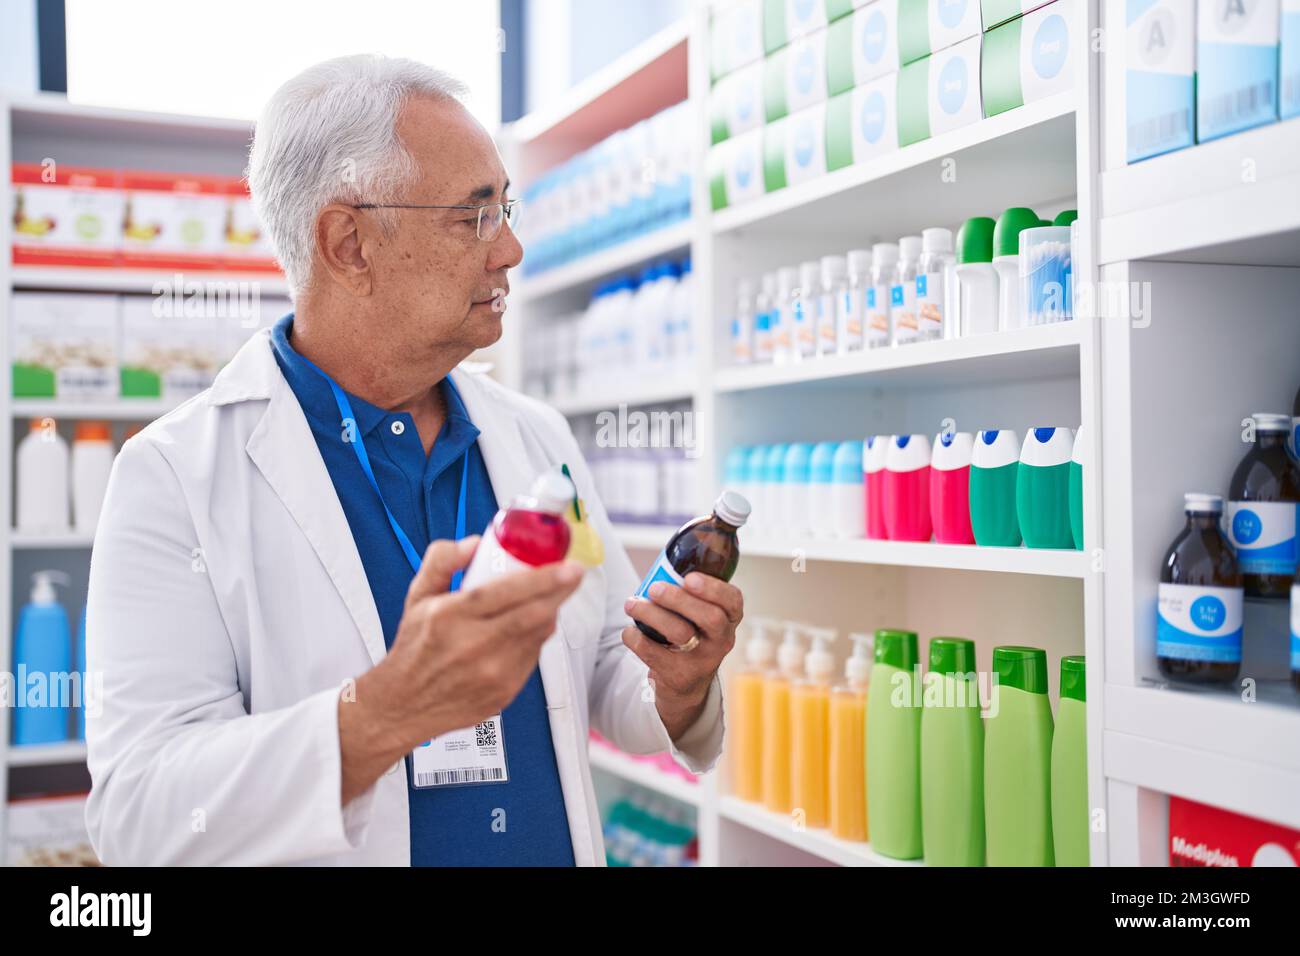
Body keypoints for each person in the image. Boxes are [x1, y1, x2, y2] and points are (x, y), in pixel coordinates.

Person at [84, 55, 740, 866]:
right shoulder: (174, 477)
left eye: (507, 209)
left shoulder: (533, 438)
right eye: (476, 218)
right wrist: (386, 712)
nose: (512, 251)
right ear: (348, 242)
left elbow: (604, 672)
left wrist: (675, 683)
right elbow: (141, 814)